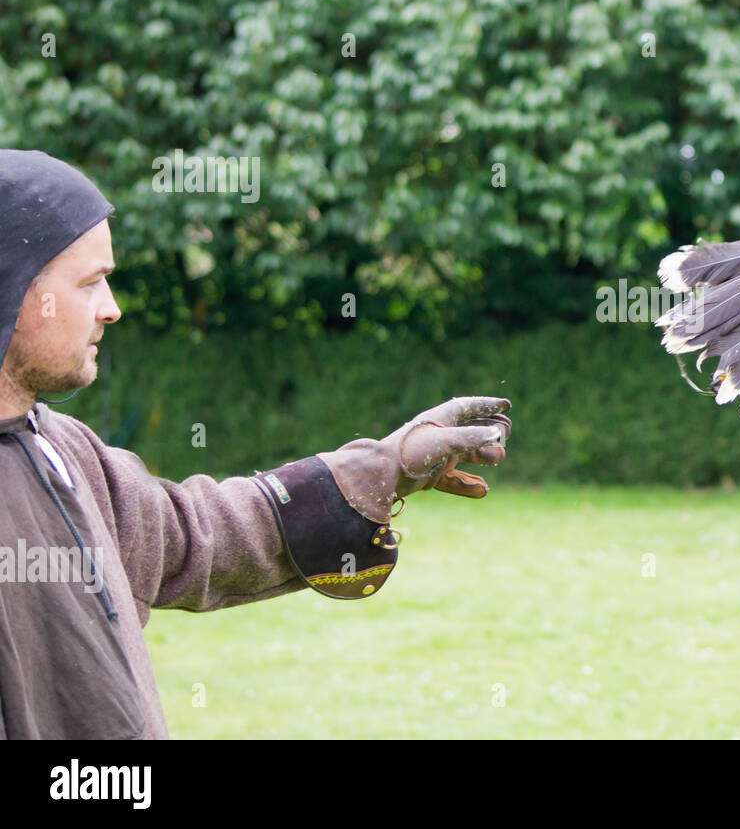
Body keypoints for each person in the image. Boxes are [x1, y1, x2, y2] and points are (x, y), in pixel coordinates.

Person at [0, 149, 512, 739]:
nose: (112, 308)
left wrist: (381, 468)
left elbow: (194, 534)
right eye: (90, 283)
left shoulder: (62, 449)